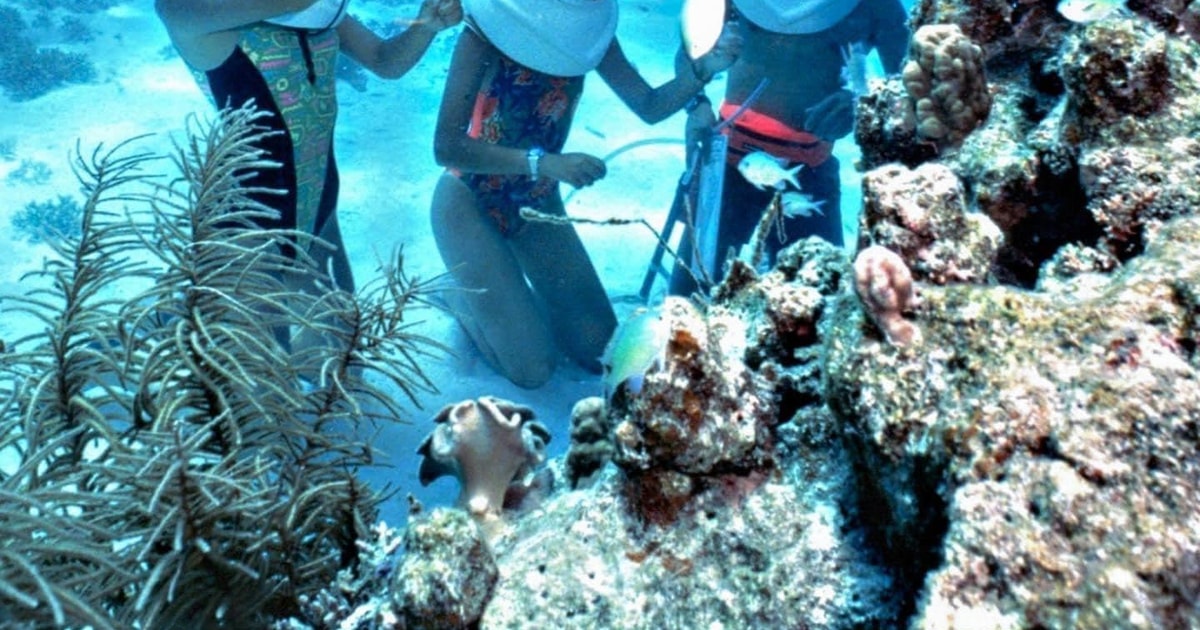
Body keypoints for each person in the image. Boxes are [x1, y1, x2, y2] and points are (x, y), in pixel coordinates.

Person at [430, 0, 741, 389]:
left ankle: (504, 297)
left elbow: (648, 105)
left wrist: (703, 69)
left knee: (601, 351)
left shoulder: (591, 35)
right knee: (533, 371)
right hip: (467, 202)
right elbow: (447, 148)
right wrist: (544, 164)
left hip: (536, 204)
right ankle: (455, 291)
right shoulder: (484, 31)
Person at [155, 0, 463, 294]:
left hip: (318, 213)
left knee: (341, 347)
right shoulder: (187, 11)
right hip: (246, 230)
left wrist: (426, 27)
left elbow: (386, 62)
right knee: (255, 349)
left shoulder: (318, 14)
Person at [670, 0, 910, 296]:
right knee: (688, 295)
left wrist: (861, 102)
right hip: (729, 162)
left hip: (807, 169)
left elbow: (907, 85)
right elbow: (689, 50)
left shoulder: (876, 6)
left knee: (818, 302)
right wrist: (696, 104)